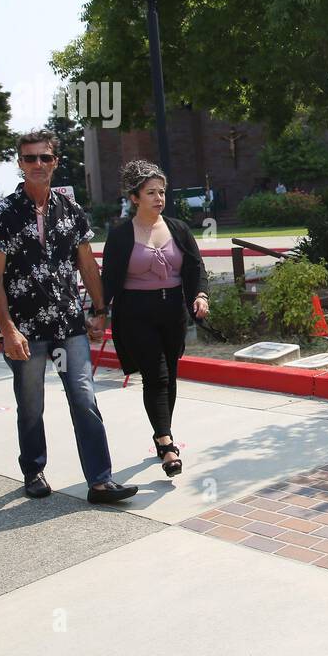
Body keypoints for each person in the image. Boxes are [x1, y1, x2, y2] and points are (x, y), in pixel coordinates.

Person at [0, 130, 137, 505]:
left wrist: (100, 310)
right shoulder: (3, 214)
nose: (37, 164)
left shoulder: (72, 211)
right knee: (31, 404)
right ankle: (33, 469)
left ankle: (100, 481)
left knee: (84, 398)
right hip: (25, 329)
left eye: (44, 158)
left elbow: (87, 264)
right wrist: (7, 329)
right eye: (30, 158)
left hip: (68, 324)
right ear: (20, 163)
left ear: (55, 162)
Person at [100, 160, 209, 477]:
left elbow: (194, 268)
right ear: (135, 197)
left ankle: (164, 431)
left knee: (170, 375)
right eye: (151, 192)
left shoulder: (178, 228)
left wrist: (200, 296)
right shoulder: (121, 235)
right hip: (136, 313)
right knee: (156, 375)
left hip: (173, 311)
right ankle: (166, 444)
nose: (159, 198)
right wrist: (97, 313)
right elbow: (109, 280)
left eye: (162, 192)